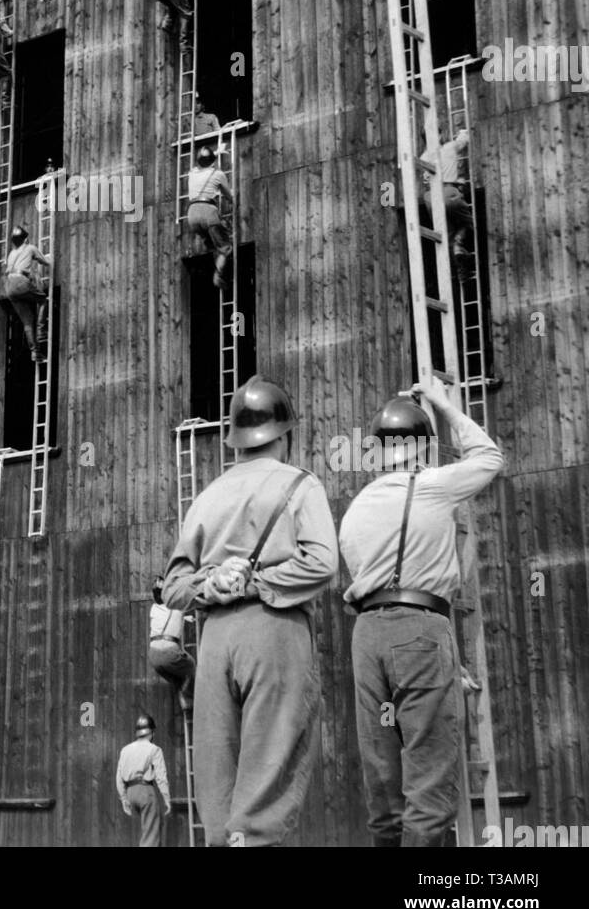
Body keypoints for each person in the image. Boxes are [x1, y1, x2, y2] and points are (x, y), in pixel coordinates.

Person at [163, 376, 338, 847]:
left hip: (216, 637)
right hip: (274, 628)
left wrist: (215, 585)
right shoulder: (301, 484)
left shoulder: (206, 497)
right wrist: (258, 582)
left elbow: (173, 588)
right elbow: (323, 562)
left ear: (236, 440)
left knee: (219, 763)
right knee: (271, 760)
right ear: (283, 436)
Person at [339, 378, 504, 847]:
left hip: (368, 637)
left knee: (383, 781)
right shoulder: (431, 487)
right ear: (422, 446)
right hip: (421, 629)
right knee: (430, 778)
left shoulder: (357, 508)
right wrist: (443, 403)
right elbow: (489, 457)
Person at [420, 127, 474, 275]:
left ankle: (460, 267)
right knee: (468, 224)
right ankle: (459, 244)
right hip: (448, 192)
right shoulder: (449, 147)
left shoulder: (423, 157)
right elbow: (465, 139)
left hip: (431, 198)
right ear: (439, 135)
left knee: (445, 236)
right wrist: (462, 132)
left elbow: (425, 179)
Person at [115, 714, 172, 847]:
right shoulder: (154, 749)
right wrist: (166, 799)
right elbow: (161, 777)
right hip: (145, 791)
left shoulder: (125, 750)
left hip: (130, 792)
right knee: (151, 834)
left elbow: (119, 777)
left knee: (148, 829)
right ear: (152, 732)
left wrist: (124, 798)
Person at [187, 144, 233, 289]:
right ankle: (218, 275)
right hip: (208, 212)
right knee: (225, 248)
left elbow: (204, 164)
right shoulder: (218, 174)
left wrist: (216, 153)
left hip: (192, 215)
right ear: (213, 161)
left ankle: (217, 269)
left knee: (213, 245)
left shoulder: (192, 173)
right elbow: (229, 196)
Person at [3, 225, 51, 363]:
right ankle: (42, 331)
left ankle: (35, 352)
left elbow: (9, 271)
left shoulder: (11, 254)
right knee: (43, 300)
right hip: (20, 281)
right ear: (25, 239)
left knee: (27, 320)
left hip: (9, 287)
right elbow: (45, 262)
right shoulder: (30, 248)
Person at [148, 576, 194, 708]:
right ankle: (189, 701)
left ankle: (183, 698)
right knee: (191, 665)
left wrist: (185, 618)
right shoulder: (177, 605)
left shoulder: (154, 609)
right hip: (168, 652)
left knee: (178, 680)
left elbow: (170, 616)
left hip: (153, 656)